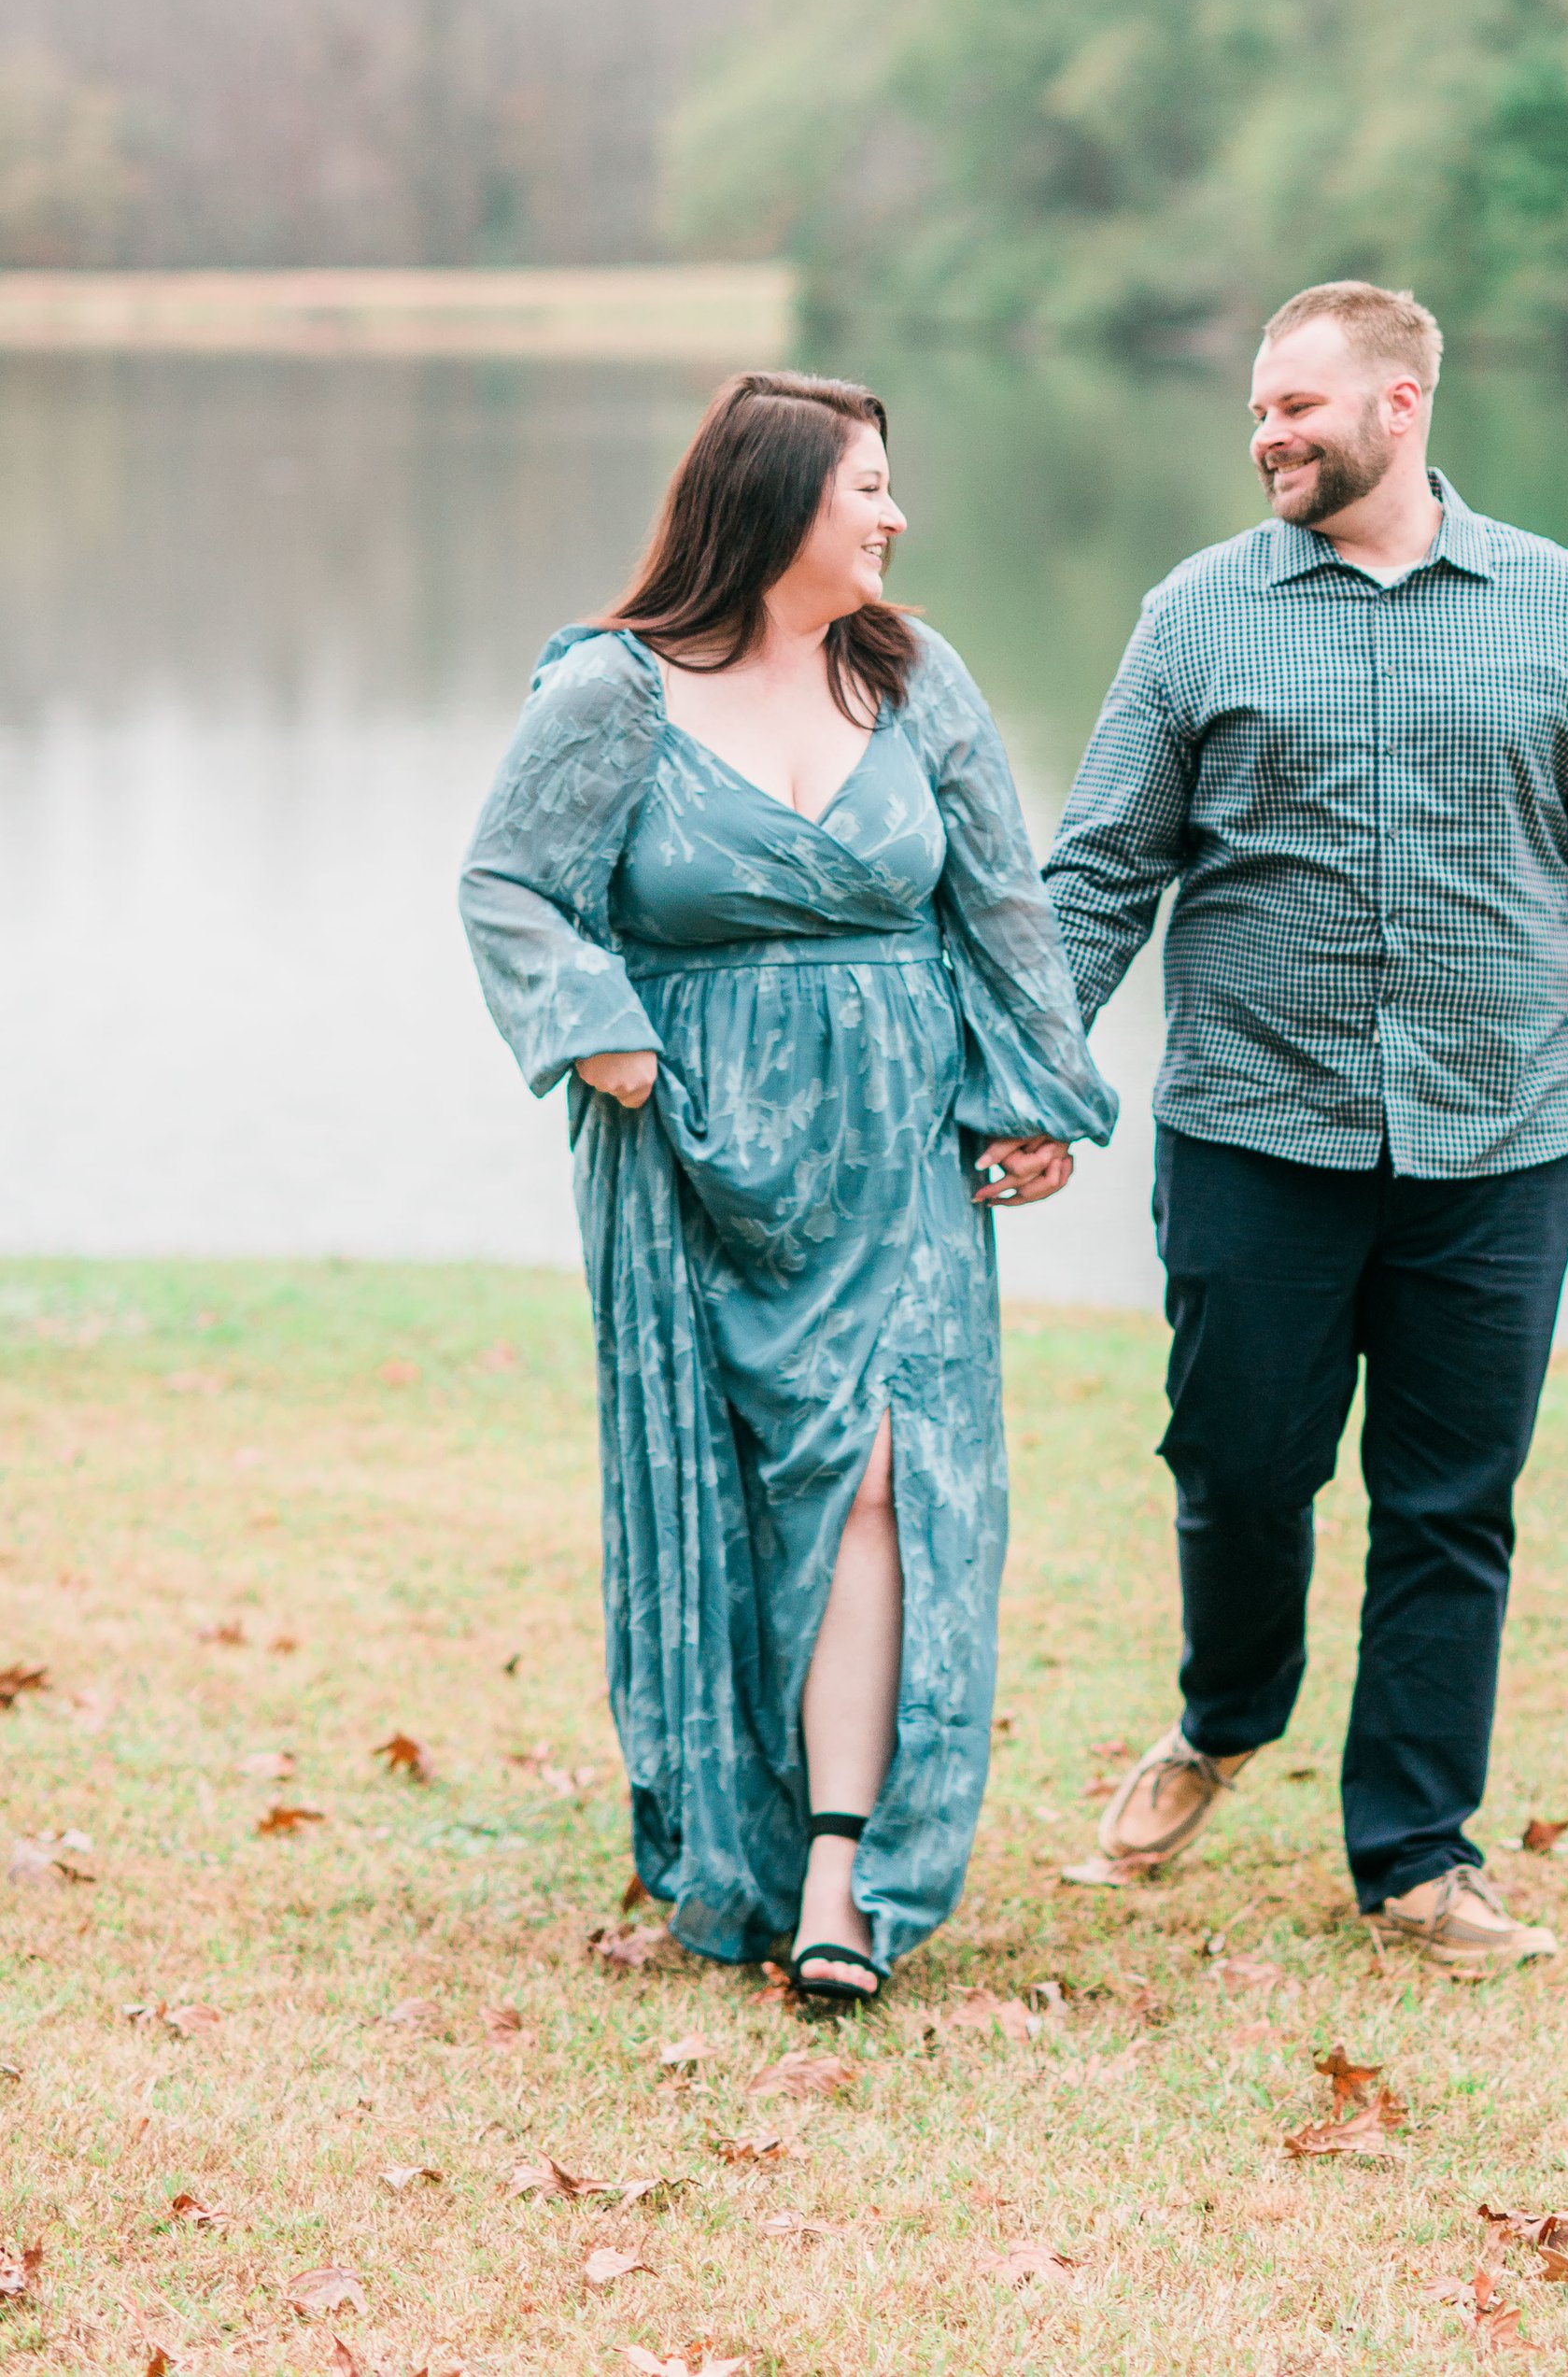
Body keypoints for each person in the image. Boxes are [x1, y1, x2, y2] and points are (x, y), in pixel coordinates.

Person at [1043, 280, 1568, 1978]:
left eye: (1299, 404)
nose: (1267, 430)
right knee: (1238, 1465)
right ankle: (1224, 1712)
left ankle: (1416, 1853)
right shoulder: (1196, 614)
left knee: (1449, 1503)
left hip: (1501, 1143)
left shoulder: (1564, 611)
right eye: (1259, 408)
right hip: (1253, 1132)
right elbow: (1099, 876)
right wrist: (1024, 1070)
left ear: (1404, 405)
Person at [459, 371, 1113, 2002]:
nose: (895, 517)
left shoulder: (916, 677)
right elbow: (510, 886)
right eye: (868, 487)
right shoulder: (613, 694)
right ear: (772, 505)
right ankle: (733, 1842)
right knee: (728, 1492)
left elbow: (1004, 907)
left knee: (888, 1478)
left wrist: (1035, 1093)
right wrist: (601, 1034)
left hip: (898, 1140)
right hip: (690, 1142)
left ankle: (845, 1873)